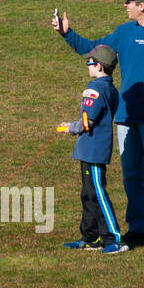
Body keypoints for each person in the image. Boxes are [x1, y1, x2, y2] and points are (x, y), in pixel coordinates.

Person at [51, 0, 144, 247]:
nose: (125, 5)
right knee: (131, 174)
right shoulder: (124, 32)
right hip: (125, 115)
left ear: (142, 5)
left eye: (129, 2)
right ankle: (138, 227)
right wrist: (67, 34)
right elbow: (94, 50)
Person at [55, 44, 126, 254]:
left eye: (90, 62)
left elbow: (87, 122)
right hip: (93, 149)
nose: (87, 65)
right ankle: (90, 236)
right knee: (87, 194)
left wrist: (70, 128)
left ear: (100, 67)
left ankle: (113, 238)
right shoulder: (111, 88)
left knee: (97, 194)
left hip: (93, 150)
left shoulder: (94, 89)